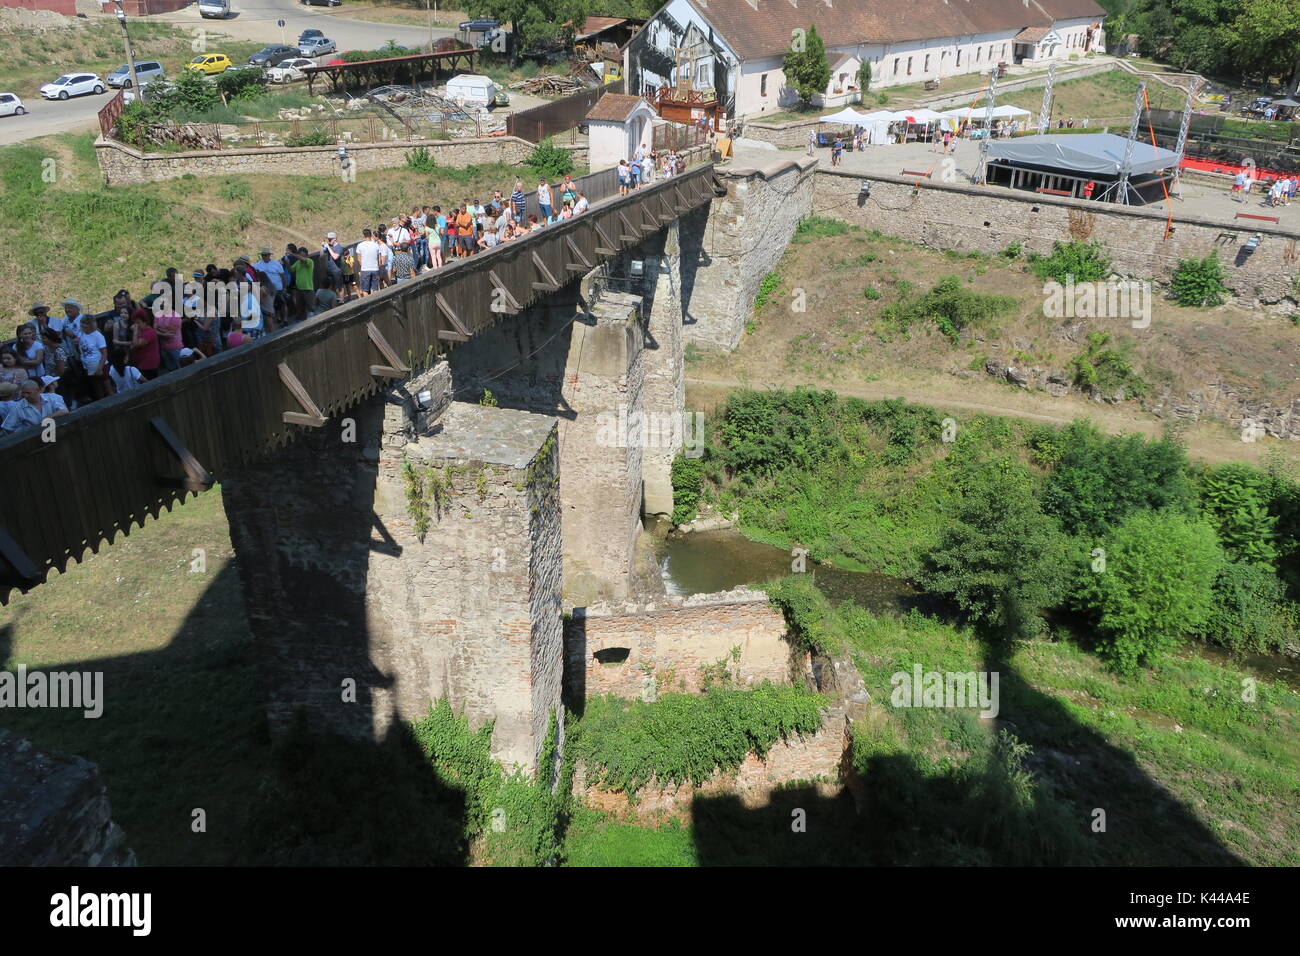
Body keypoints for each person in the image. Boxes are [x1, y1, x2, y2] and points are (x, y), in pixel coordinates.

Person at [1, 380, 67, 434]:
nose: (25, 395)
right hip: (33, 440)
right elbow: (8, 428)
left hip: (58, 433)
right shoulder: (17, 406)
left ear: (37, 390)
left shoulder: (52, 397)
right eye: (23, 393)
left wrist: (48, 417)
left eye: (28, 393)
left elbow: (64, 411)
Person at [77, 313, 109, 402]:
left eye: (86, 323)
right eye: (82, 323)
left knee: (106, 386)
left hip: (100, 365)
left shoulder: (98, 336)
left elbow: (104, 354)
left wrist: (100, 367)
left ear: (91, 325)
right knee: (97, 388)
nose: (84, 325)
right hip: (88, 366)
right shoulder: (81, 334)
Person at [129, 309, 160, 380]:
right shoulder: (141, 331)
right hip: (141, 362)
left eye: (138, 323)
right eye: (134, 323)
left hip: (149, 364)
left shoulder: (149, 332)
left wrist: (135, 332)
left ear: (145, 322)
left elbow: (135, 344)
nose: (136, 325)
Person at [289, 248, 316, 320]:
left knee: (311, 309)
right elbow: (291, 270)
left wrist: (293, 254)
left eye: (303, 255)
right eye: (300, 255)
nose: (301, 257)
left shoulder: (310, 261)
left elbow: (303, 259)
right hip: (298, 289)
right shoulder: (297, 263)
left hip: (308, 289)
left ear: (307, 256)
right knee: (300, 309)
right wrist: (286, 262)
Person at [355, 229, 383, 297]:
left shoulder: (360, 245)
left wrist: (364, 265)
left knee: (365, 290)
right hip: (375, 269)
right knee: (375, 288)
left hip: (365, 269)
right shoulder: (376, 245)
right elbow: (379, 259)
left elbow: (359, 259)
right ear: (371, 235)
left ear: (364, 235)